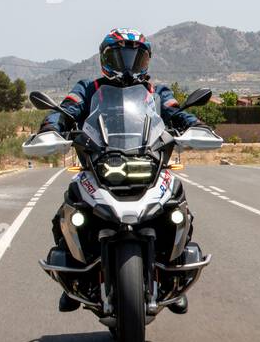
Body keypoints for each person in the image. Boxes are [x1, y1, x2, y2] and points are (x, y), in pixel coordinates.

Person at [38, 28, 201, 313]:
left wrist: (195, 125)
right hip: (100, 162)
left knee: (178, 204)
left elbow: (176, 112)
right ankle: (73, 278)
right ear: (105, 58)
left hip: (147, 160)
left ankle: (172, 279)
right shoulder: (89, 88)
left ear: (145, 61)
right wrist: (51, 127)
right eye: (120, 56)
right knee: (69, 206)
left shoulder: (157, 92)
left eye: (135, 57)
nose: (128, 64)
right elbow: (67, 110)